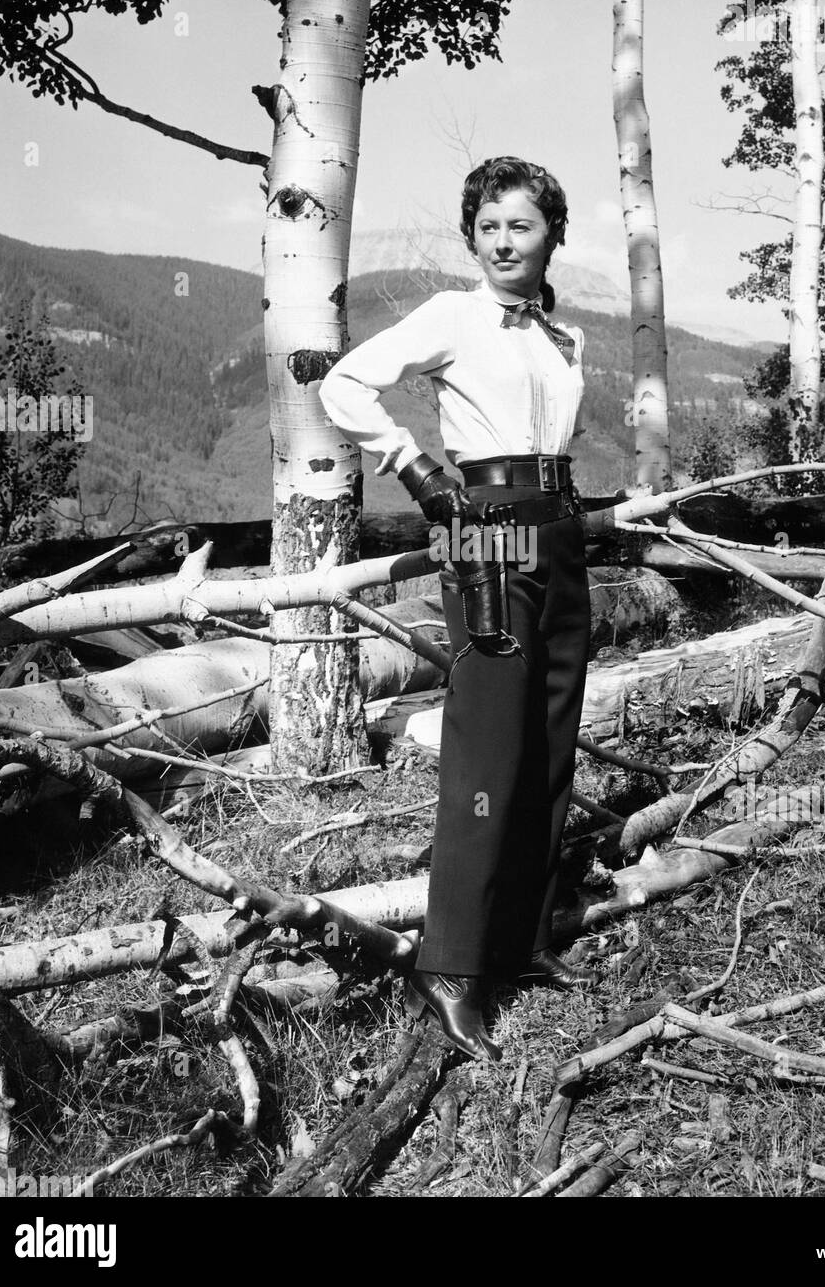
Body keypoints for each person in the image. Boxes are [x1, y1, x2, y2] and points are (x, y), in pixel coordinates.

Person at [318, 156, 597, 1062]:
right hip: (482, 528)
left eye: (520, 225)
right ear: (473, 237)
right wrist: (414, 465)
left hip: (559, 525)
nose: (503, 241)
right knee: (488, 746)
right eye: (488, 227)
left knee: (551, 740)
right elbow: (343, 385)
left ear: (553, 232)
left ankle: (520, 940)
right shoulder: (451, 315)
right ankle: (449, 966)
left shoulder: (568, 339)